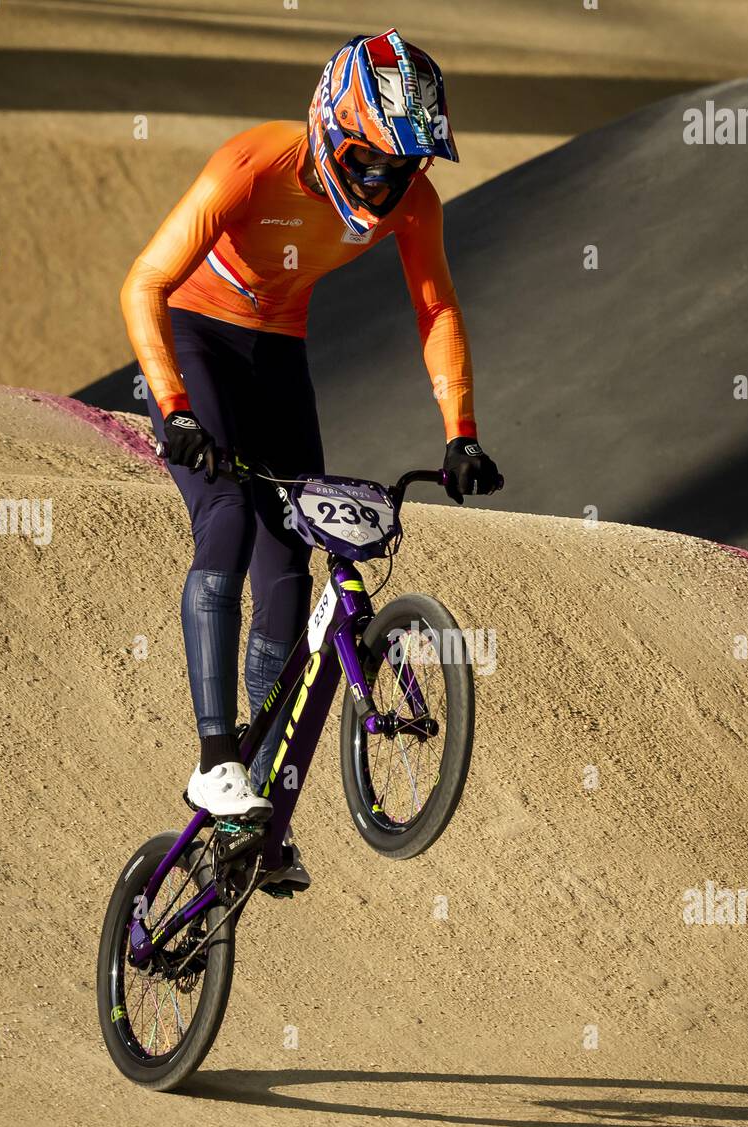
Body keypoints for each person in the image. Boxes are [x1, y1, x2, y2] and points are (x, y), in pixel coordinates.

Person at [120, 28, 500, 886]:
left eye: (403, 167)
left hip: (276, 348)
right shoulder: (251, 166)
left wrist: (461, 432)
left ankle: (254, 798)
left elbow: (434, 310)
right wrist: (175, 410)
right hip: (193, 335)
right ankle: (216, 761)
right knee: (225, 517)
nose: (385, 183)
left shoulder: (413, 200)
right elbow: (142, 283)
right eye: (370, 161)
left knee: (290, 557)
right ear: (330, 131)